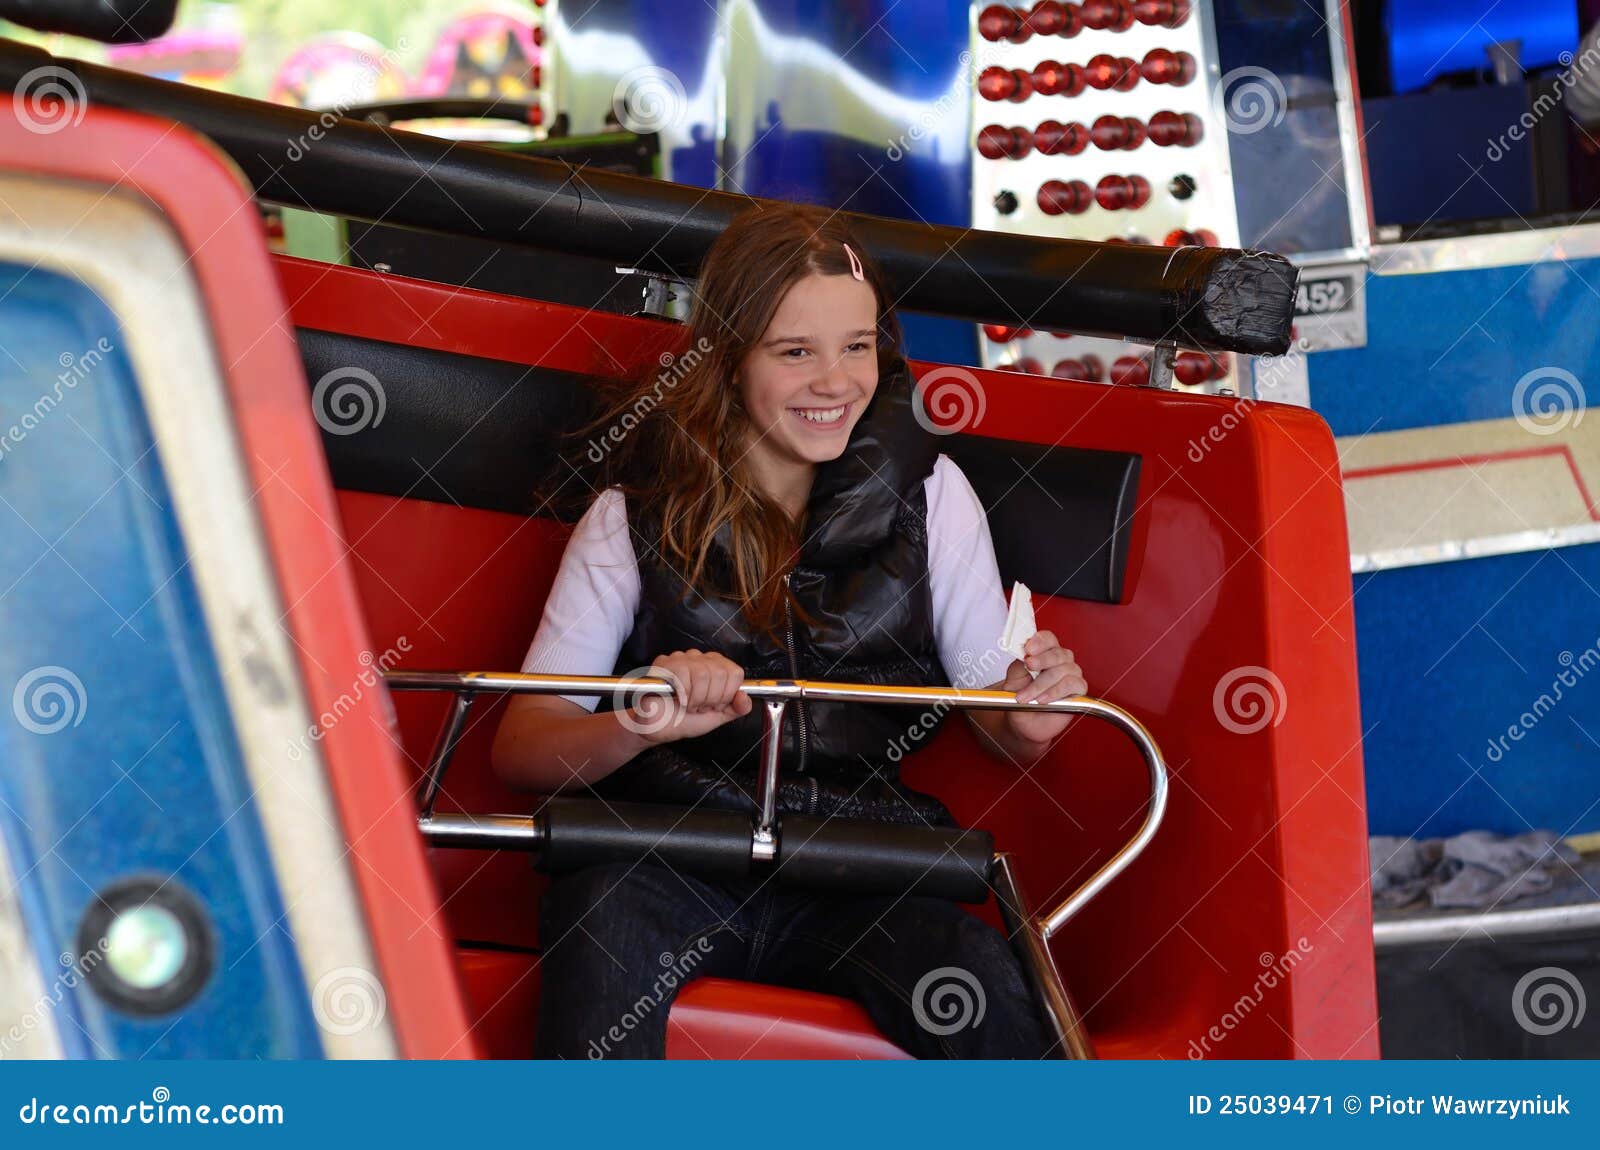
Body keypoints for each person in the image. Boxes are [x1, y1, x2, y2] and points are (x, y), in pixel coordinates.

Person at [491, 203, 1087, 1059]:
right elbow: (519, 746)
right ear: (730, 362)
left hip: (860, 867)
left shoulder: (935, 493)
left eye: (858, 346)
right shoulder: (632, 514)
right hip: (671, 858)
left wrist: (1030, 717)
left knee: (982, 982)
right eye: (795, 351)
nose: (838, 381)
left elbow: (1004, 718)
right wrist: (638, 720)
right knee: (603, 933)